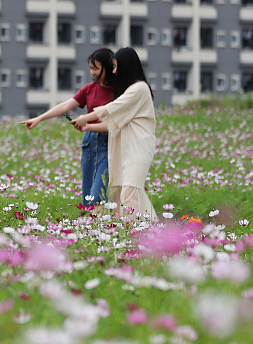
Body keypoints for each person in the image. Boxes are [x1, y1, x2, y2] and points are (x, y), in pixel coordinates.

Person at [21, 48, 116, 207]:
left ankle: (100, 226)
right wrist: (40, 118)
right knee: (87, 198)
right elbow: (66, 105)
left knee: (97, 196)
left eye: (96, 68)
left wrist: (88, 126)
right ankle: (90, 229)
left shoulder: (118, 92)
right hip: (89, 143)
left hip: (108, 144)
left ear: (107, 68)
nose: (92, 72)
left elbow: (115, 123)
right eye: (90, 68)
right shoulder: (89, 89)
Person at [72, 47, 156, 218]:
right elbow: (114, 122)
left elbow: (112, 109)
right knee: (131, 193)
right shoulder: (131, 90)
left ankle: (135, 233)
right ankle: (152, 229)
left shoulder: (139, 89)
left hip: (138, 149)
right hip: (126, 149)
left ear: (126, 67)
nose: (114, 71)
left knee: (129, 193)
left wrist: (85, 118)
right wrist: (89, 127)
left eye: (117, 67)